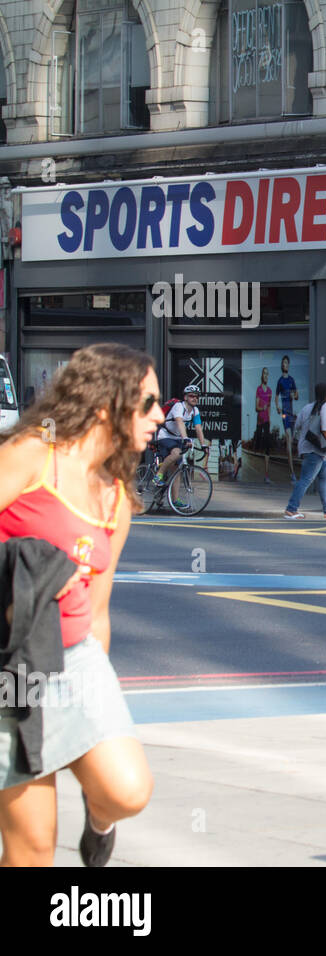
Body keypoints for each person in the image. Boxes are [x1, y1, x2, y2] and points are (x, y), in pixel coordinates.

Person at [0, 343, 160, 866]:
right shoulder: (32, 454)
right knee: (32, 848)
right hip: (14, 665)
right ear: (104, 405)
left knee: (126, 790)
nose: (161, 415)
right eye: (148, 403)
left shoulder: (116, 496)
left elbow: (99, 609)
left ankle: (99, 820)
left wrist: (98, 700)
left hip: (76, 658)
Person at [284, 383, 326, 520]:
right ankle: (291, 509)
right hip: (315, 451)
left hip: (309, 449)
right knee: (306, 479)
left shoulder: (307, 408)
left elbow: (297, 425)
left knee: (325, 477)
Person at [154, 384, 207, 484]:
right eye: (191, 396)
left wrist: (203, 444)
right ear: (185, 397)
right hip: (165, 436)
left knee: (176, 471)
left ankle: (174, 500)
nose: (194, 398)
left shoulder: (195, 410)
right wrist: (185, 438)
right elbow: (179, 422)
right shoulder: (178, 406)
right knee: (177, 453)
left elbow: (198, 428)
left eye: (197, 396)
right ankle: (158, 475)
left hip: (177, 438)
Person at [254, 368, 272, 456]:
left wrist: (270, 419)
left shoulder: (270, 391)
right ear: (262, 376)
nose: (266, 376)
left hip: (266, 420)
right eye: (264, 373)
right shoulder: (259, 389)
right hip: (259, 421)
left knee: (267, 443)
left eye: (267, 374)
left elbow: (269, 407)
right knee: (258, 443)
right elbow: (256, 408)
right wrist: (262, 408)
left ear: (268, 376)